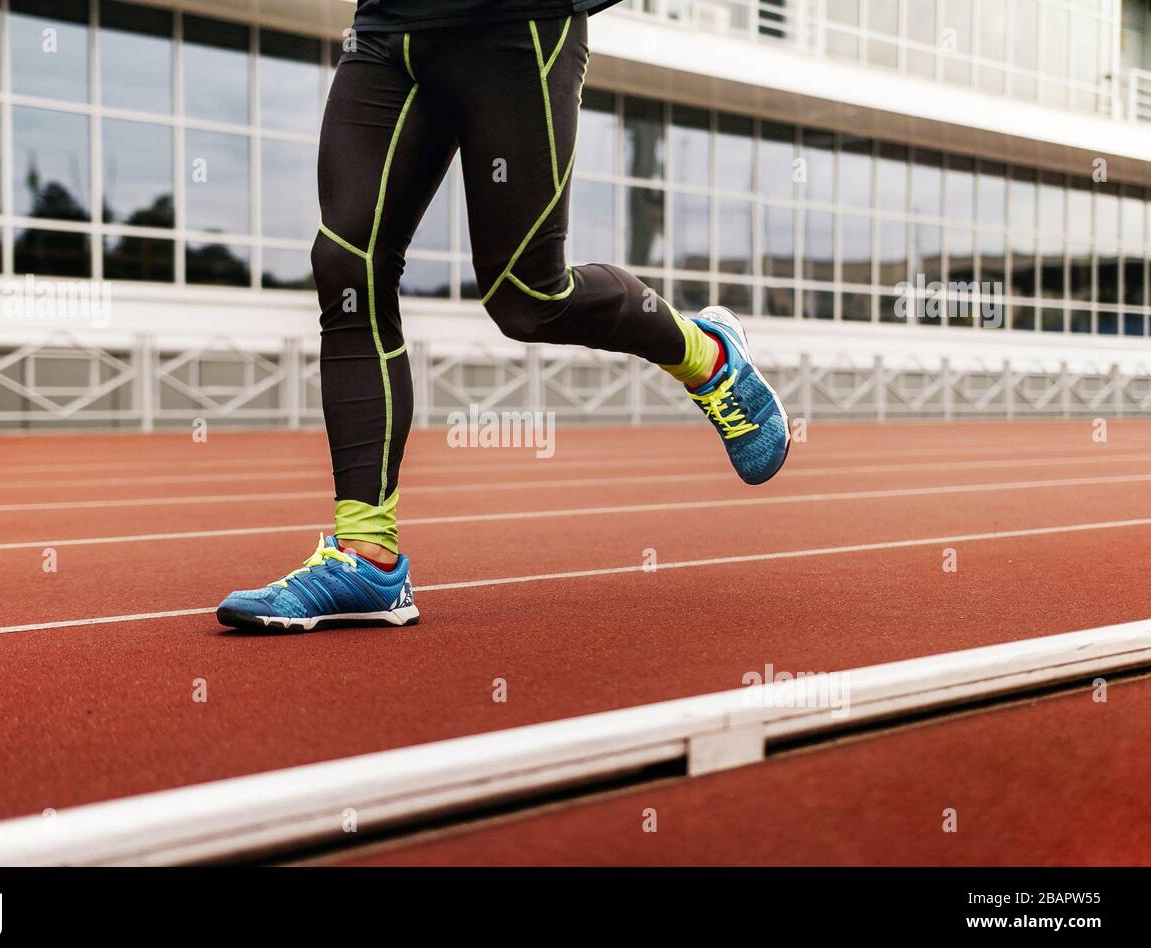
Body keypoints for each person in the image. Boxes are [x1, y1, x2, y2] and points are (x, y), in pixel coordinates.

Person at [216, 0, 789, 633]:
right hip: (388, 28)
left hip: (517, 22)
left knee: (526, 295)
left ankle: (703, 353)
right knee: (349, 267)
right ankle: (365, 557)